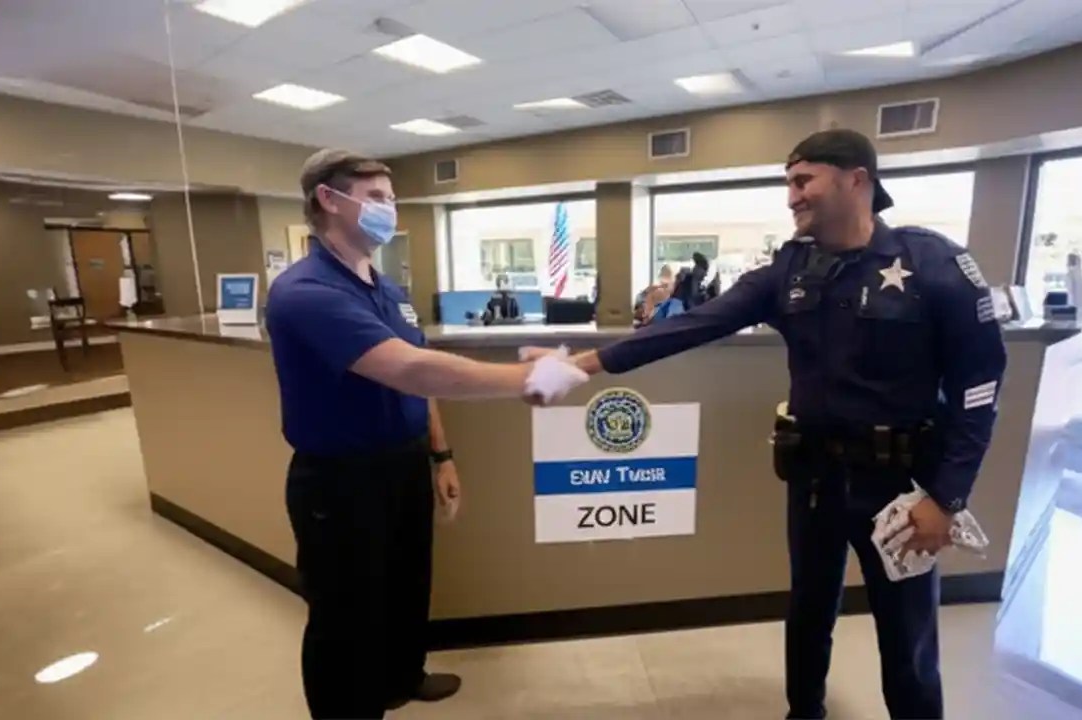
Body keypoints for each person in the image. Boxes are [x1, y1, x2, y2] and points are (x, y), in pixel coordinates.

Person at [526, 129, 1007, 719]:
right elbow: (693, 325)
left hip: (902, 487)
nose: (791, 197)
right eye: (789, 183)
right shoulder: (790, 269)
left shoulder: (932, 263)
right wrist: (579, 368)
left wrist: (947, 496)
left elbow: (978, 388)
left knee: (908, 636)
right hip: (815, 478)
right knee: (808, 611)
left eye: (803, 181)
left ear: (857, 179)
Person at [265, 149, 586, 720]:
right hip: (340, 481)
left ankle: (400, 677)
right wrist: (528, 377)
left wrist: (441, 454)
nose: (390, 209)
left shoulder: (388, 290)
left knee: (407, 584)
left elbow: (421, 371)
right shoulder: (306, 291)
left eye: (391, 198)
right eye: (378, 198)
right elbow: (408, 369)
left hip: (405, 460)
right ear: (329, 200)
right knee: (345, 614)